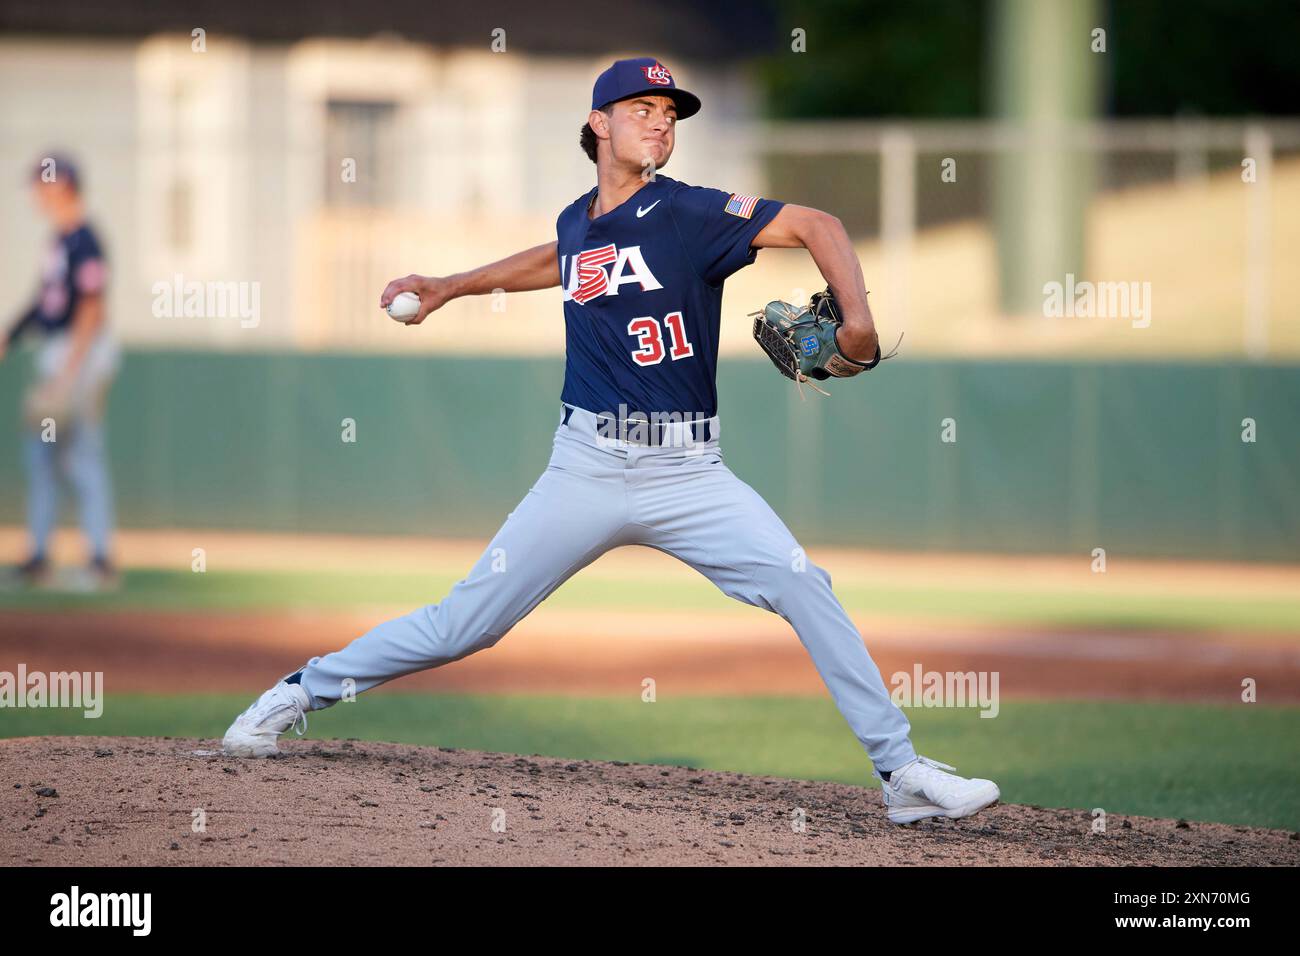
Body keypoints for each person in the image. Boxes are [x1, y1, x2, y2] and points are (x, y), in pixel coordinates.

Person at [223, 58, 999, 824]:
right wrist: (451, 286)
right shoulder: (577, 220)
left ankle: (900, 772)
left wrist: (857, 319)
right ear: (599, 124)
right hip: (586, 466)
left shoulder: (694, 214)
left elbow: (818, 225)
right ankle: (297, 691)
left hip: (690, 474)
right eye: (643, 107)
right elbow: (559, 259)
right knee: (467, 623)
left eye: (671, 112)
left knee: (804, 584)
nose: (661, 119)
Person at [1, 154, 119, 589]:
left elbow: (92, 309)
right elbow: (44, 301)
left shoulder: (85, 239)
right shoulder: (59, 241)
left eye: (42, 185)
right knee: (44, 456)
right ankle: (38, 557)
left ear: (62, 186)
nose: (36, 194)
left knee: (82, 456)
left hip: (80, 355)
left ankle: (100, 561)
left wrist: (70, 373)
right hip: (58, 352)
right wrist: (10, 335)